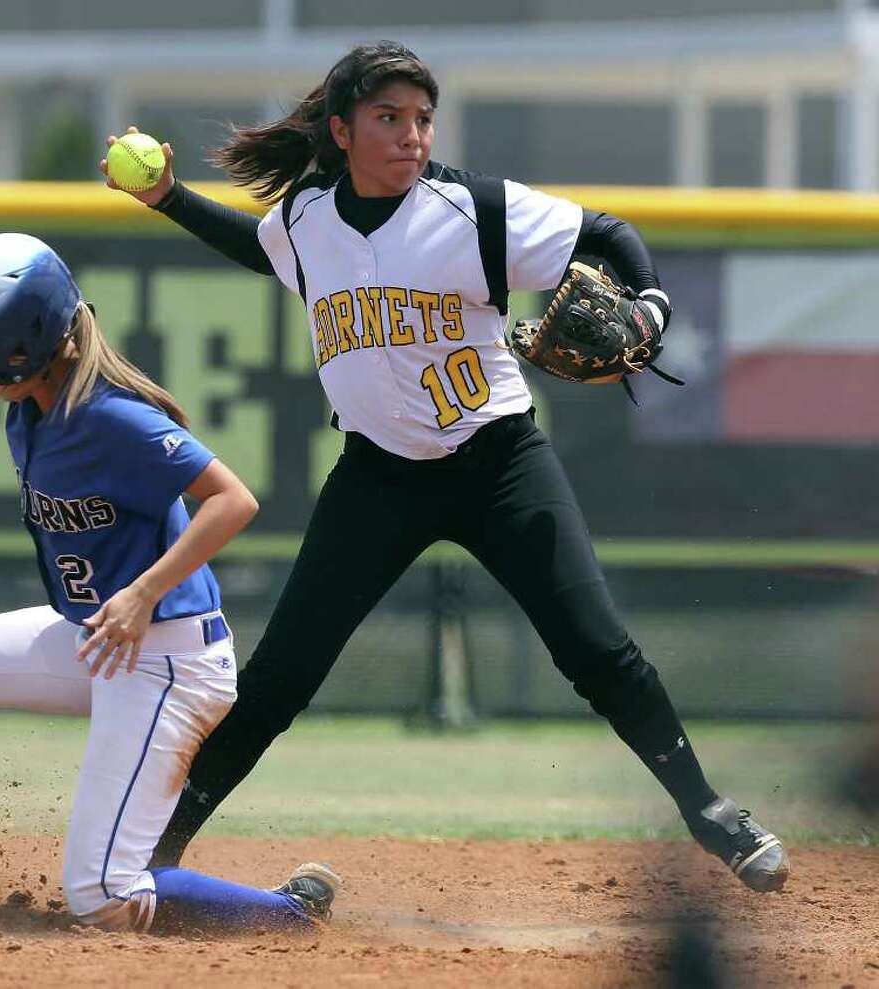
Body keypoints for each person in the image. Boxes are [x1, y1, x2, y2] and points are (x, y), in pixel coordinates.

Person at [101, 41, 789, 893]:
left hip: (500, 465)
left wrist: (647, 300)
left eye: (422, 119)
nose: (412, 136)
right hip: (377, 478)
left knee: (599, 651)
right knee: (279, 677)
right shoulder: (309, 219)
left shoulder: (474, 210)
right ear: (343, 129)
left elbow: (608, 234)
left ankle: (711, 811)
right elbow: (260, 246)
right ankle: (151, 854)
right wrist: (167, 197)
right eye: (389, 117)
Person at [0, 215, 341, 933]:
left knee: (100, 893)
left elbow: (234, 498)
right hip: (99, 637)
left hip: (169, 659)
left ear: (21, 347)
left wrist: (142, 590)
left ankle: (288, 914)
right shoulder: (36, 392)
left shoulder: (108, 417)